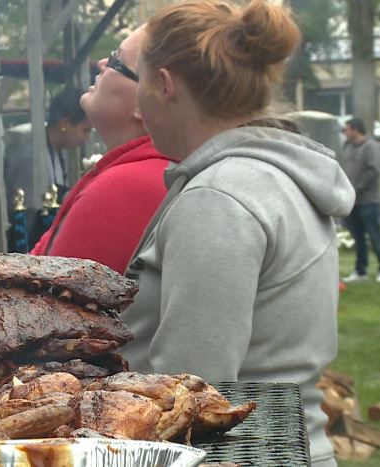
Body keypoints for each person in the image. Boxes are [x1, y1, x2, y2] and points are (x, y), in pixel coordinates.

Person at [124, 2, 355, 466]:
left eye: (140, 82)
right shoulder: (269, 177)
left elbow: (187, 394)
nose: (136, 106)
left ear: (165, 85)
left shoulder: (220, 197)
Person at [30, 26, 174, 274]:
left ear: (144, 100)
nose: (102, 63)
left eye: (117, 61)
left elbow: (44, 298)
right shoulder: (154, 168)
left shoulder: (126, 186)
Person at [3, 88, 93, 210]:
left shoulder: (61, 151)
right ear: (64, 124)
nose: (87, 138)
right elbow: (31, 211)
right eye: (85, 130)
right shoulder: (30, 157)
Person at [339, 117, 380, 282]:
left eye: (347, 129)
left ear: (356, 129)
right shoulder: (347, 146)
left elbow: (374, 170)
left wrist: (358, 187)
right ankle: (360, 270)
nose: (345, 132)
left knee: (375, 235)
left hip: (368, 201)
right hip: (352, 201)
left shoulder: (371, 147)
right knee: (358, 237)